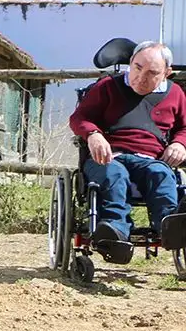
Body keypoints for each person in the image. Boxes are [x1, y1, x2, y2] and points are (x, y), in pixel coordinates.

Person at [69, 40, 186, 264]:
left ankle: (170, 226)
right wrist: (93, 134)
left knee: (161, 175)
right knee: (114, 174)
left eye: (152, 73)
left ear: (167, 73)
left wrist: (180, 143)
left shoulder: (175, 93)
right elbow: (79, 118)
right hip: (108, 156)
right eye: (137, 68)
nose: (141, 78)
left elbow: (184, 127)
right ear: (131, 62)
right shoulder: (107, 86)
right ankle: (116, 233)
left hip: (151, 159)